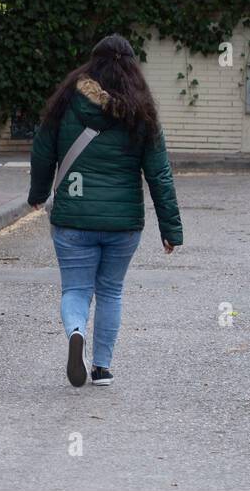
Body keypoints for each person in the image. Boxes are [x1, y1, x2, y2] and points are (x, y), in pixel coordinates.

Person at [28, 35, 183, 388]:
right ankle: (102, 368)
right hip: (123, 223)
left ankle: (76, 332)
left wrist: (37, 194)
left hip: (73, 218)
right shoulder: (141, 110)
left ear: (93, 63)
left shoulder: (67, 100)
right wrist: (170, 229)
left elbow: (42, 150)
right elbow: (159, 173)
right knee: (111, 291)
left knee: (76, 290)